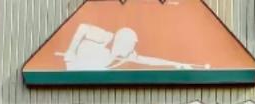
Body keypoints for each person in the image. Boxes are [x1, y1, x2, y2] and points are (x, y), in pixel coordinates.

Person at [61, 23, 203, 71]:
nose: (129, 51)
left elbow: (149, 61)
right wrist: (71, 50)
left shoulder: (128, 54)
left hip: (86, 70)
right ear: (119, 41)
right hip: (75, 63)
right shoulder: (106, 37)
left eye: (130, 47)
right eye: (127, 46)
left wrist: (177, 64)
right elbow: (83, 27)